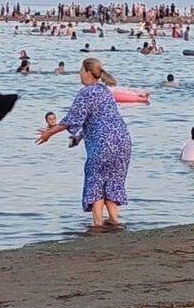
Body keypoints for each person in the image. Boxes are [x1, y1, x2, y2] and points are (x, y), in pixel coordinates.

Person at [36, 57, 132, 227]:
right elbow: (101, 120)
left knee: (95, 180)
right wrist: (80, 136)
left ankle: (97, 224)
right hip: (122, 141)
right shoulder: (105, 91)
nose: (79, 75)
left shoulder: (86, 92)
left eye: (80, 71)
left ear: (88, 73)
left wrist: (49, 133)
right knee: (113, 180)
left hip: (103, 144)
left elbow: (71, 119)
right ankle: (114, 220)